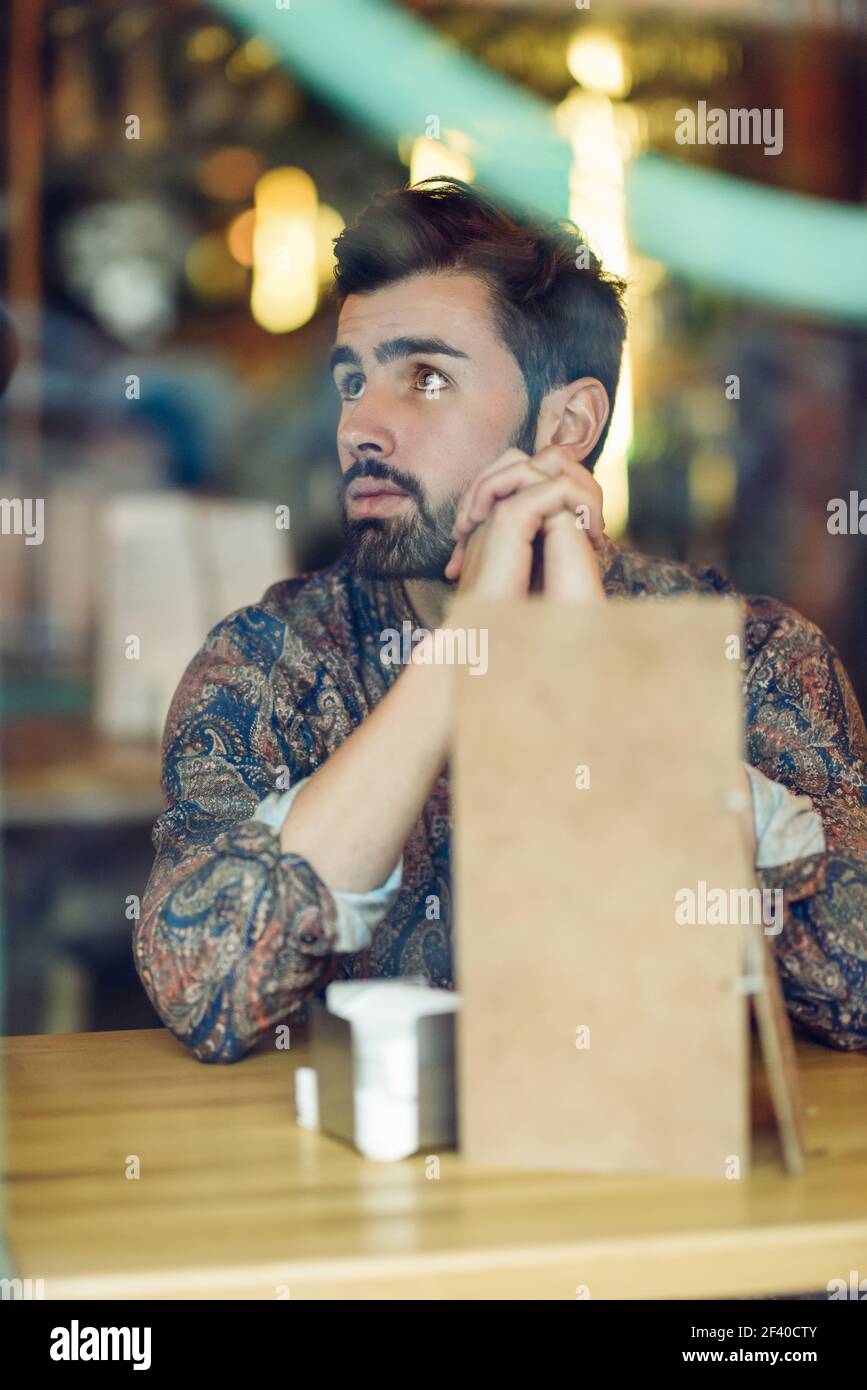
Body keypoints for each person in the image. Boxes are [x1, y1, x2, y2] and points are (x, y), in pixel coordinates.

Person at [134, 178, 867, 1063]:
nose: (360, 424)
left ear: (566, 426)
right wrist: (465, 646)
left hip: (658, 1190)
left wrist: (602, 682)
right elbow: (207, 989)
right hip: (358, 1189)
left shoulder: (752, 658)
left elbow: (854, 989)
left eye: (426, 378)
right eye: (350, 380)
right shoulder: (269, 662)